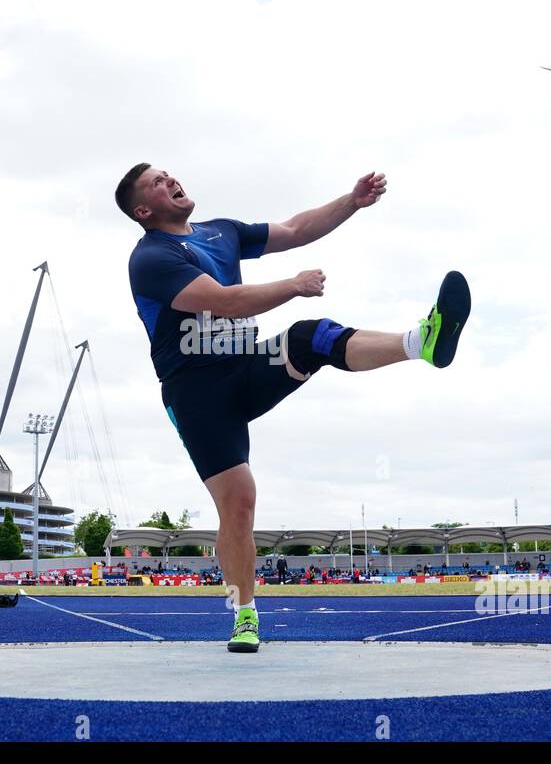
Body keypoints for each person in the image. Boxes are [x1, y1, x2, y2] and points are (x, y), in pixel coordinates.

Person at [121, 166, 472, 651]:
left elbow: (295, 229)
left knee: (313, 337)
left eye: (168, 174)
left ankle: (421, 342)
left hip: (244, 367)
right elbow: (226, 302)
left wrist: (351, 201)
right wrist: (293, 283)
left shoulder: (220, 231)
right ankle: (244, 614)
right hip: (196, 392)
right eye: (158, 183)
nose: (172, 180)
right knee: (238, 503)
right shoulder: (151, 258)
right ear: (144, 210)